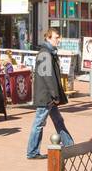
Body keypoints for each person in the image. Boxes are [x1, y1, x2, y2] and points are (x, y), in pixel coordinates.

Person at [26, 28, 75, 158]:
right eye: (56, 37)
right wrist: (55, 95)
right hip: (46, 96)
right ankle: (32, 152)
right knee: (39, 123)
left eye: (59, 37)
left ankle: (69, 144)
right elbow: (47, 77)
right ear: (48, 38)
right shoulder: (45, 54)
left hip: (48, 95)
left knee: (58, 120)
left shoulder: (50, 53)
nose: (59, 40)